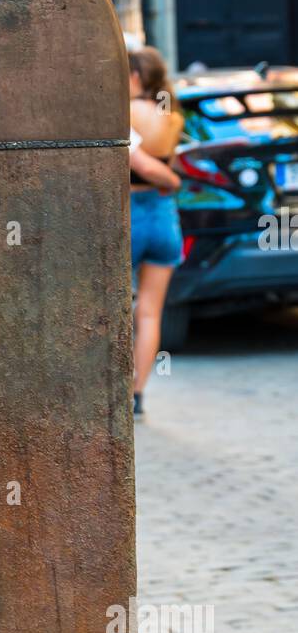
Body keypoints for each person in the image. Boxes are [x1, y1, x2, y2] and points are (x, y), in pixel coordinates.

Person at [127, 46, 184, 417]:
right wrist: (170, 178)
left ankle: (113, 388)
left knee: (114, 308)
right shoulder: (173, 117)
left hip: (127, 213)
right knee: (149, 313)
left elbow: (136, 162)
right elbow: (170, 170)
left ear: (135, 77)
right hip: (163, 217)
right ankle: (137, 394)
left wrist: (167, 177)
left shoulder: (123, 111)